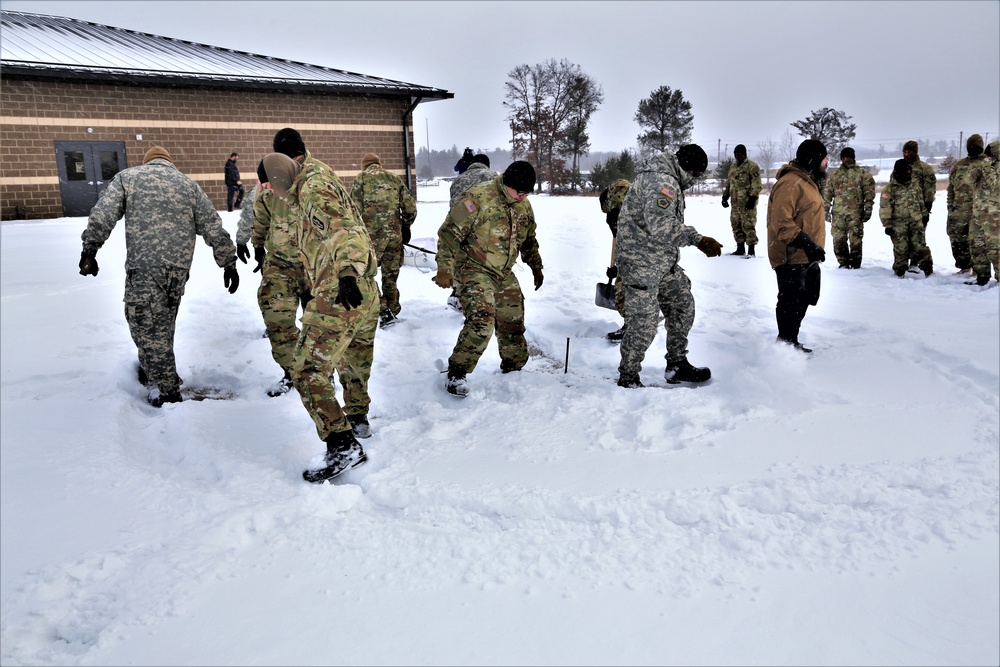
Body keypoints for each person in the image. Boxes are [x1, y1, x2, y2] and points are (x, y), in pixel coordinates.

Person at [78, 146, 240, 407]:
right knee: (162, 323)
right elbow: (212, 225)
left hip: (144, 267)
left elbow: (103, 214)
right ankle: (153, 366)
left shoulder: (128, 178)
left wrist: (90, 248)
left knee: (146, 324)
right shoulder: (189, 186)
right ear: (169, 162)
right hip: (178, 270)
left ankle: (168, 391)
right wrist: (228, 263)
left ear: (147, 163)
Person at [262, 151, 379, 484]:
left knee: (307, 368)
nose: (271, 193)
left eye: (271, 185)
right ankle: (355, 417)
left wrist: (345, 272)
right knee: (353, 358)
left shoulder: (313, 187)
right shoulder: (309, 185)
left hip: (341, 289)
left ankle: (342, 444)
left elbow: (346, 230)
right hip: (358, 289)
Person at [615, 144, 723, 388]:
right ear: (689, 170)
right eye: (696, 176)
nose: (695, 182)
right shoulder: (662, 183)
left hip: (662, 262)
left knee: (683, 305)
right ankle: (628, 377)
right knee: (644, 324)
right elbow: (662, 226)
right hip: (640, 263)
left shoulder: (669, 177)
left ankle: (676, 365)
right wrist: (698, 239)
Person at [433, 161, 544, 397]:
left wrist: (536, 265)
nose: (523, 198)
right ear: (506, 183)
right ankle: (457, 371)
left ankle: (514, 367)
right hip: (473, 268)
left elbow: (529, 239)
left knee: (512, 319)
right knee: (482, 319)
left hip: (503, 271)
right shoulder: (476, 199)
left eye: (527, 193)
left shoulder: (523, 206)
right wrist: (444, 268)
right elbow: (449, 234)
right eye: (519, 192)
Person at [247, 129, 316, 399]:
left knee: (319, 329)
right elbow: (262, 213)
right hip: (280, 266)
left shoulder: (318, 176)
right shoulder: (271, 175)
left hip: (315, 266)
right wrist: (257, 245)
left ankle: (321, 376)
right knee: (277, 321)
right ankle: (293, 372)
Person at [766, 139, 829, 353]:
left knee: (808, 295)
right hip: (791, 253)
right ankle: (786, 343)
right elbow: (781, 223)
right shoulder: (790, 183)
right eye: (824, 159)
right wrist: (807, 244)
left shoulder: (807, 181)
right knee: (790, 299)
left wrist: (812, 248)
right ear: (813, 160)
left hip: (807, 254)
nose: (826, 164)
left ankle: (791, 338)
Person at [350, 152, 418, 328]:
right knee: (391, 276)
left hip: (371, 239)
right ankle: (392, 309)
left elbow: (354, 210)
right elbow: (410, 208)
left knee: (366, 274)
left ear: (364, 165)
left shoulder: (361, 179)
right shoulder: (394, 178)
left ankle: (382, 307)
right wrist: (405, 226)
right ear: (378, 164)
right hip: (394, 236)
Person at [446, 153, 498, 311]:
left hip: (460, 226)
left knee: (461, 263)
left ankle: (459, 294)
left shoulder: (458, 180)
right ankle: (484, 301)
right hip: (486, 231)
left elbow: (453, 208)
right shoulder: (494, 177)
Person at [880, 158, 934, 278]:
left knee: (920, 246)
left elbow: (920, 201)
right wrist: (887, 224)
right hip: (898, 224)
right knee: (901, 249)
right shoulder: (890, 189)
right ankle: (899, 272)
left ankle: (928, 270)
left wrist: (924, 215)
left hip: (916, 222)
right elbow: (885, 207)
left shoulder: (914, 186)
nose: (909, 173)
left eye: (910, 170)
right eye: (906, 170)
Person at [823, 147, 876, 269]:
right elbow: (827, 193)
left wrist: (868, 207)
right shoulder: (834, 175)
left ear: (853, 158)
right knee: (838, 239)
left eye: (849, 157)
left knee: (855, 240)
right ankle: (843, 263)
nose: (846, 159)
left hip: (855, 214)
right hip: (838, 214)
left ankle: (856, 263)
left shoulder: (862, 174)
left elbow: (869, 192)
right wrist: (825, 209)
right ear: (841, 158)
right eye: (844, 157)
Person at [946, 134, 988, 274]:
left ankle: (979, 270)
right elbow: (951, 187)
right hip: (959, 210)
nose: (971, 149)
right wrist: (950, 206)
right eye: (969, 147)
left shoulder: (988, 163)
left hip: (979, 210)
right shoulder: (959, 165)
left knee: (978, 241)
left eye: (974, 147)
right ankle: (964, 266)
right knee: (957, 239)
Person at [599, 178, 632, 342]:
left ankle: (632, 328)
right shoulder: (633, 196)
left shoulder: (616, 207)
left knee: (624, 289)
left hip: (638, 255)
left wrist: (618, 269)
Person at [720, 144, 762, 256]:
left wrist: (752, 198)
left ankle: (751, 251)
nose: (737, 156)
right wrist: (725, 197)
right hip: (735, 203)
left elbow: (757, 184)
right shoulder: (733, 167)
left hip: (747, 203)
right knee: (736, 225)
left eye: (740, 153)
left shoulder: (752, 166)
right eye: (736, 154)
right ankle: (740, 249)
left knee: (748, 226)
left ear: (745, 154)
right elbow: (729, 183)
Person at [968, 140, 1000, 287]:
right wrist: (978, 168)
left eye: (989, 154)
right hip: (978, 214)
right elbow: (967, 181)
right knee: (976, 245)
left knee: (995, 248)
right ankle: (982, 277)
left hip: (994, 216)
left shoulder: (996, 168)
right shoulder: (984, 166)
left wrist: (987, 166)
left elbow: (994, 183)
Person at [902, 140, 937, 271]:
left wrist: (927, 210)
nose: (906, 154)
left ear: (915, 152)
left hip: (919, 209)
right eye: (904, 152)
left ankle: (915, 263)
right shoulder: (899, 166)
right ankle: (902, 261)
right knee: (903, 237)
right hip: (902, 209)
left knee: (918, 238)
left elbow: (930, 190)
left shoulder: (924, 169)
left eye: (909, 152)